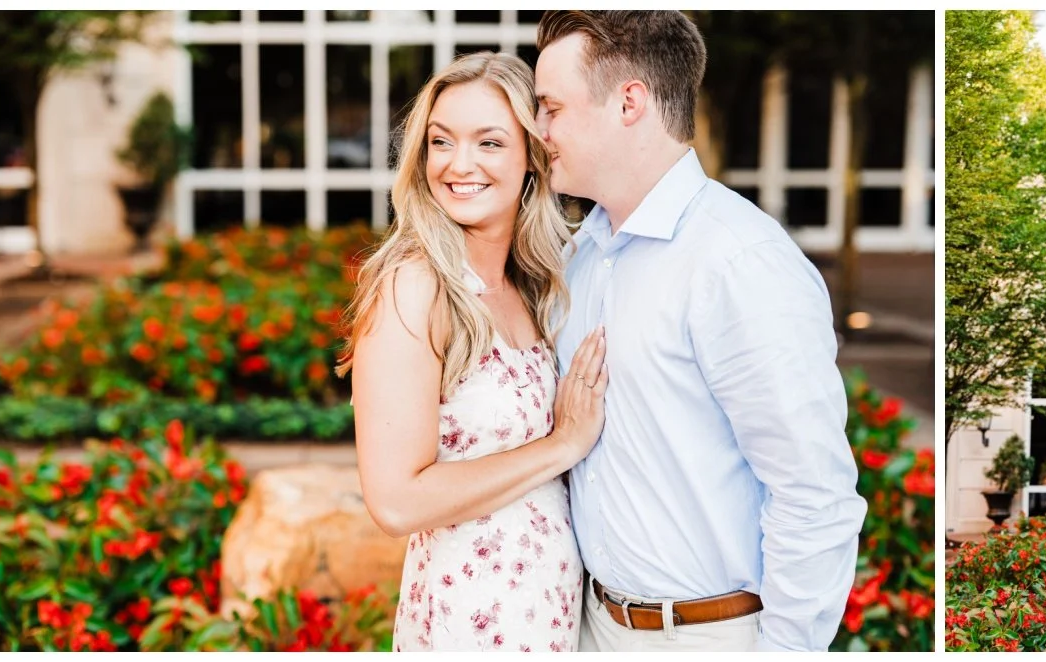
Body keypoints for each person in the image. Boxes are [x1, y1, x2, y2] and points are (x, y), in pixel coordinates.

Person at [533, 10, 867, 652]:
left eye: (552, 107)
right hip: (591, 627)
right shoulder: (583, 252)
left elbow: (814, 495)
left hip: (709, 638)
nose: (540, 129)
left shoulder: (739, 262)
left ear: (629, 101)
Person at [338, 51, 608, 652]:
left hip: (550, 620)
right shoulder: (417, 285)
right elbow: (395, 500)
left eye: (489, 143)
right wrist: (561, 445)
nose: (458, 165)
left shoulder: (533, 284)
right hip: (470, 624)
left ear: (532, 160)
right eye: (441, 142)